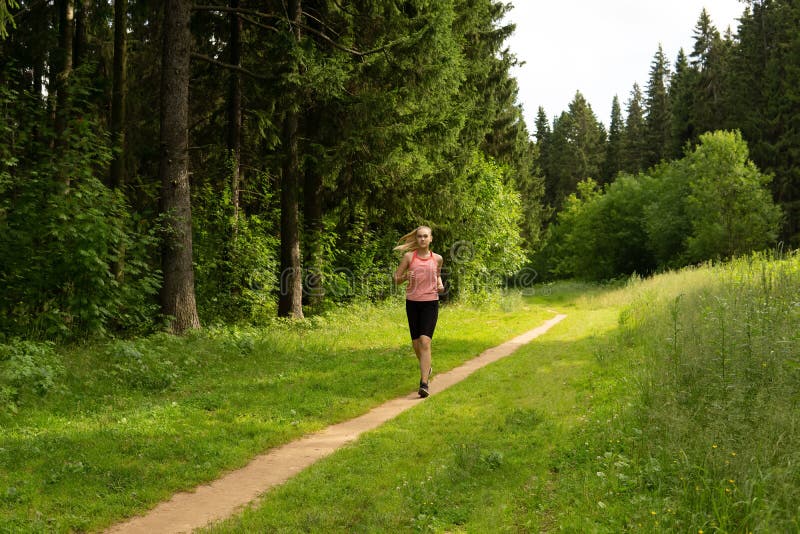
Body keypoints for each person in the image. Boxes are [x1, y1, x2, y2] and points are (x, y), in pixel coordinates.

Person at [393, 225, 445, 398]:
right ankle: (427, 367)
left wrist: (440, 284)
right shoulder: (409, 257)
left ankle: (424, 383)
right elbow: (396, 279)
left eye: (425, 236)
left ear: (431, 239)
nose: (422, 239)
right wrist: (406, 277)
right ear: (416, 239)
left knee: (425, 342)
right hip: (413, 303)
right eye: (419, 237)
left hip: (430, 303)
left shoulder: (437, 258)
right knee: (416, 345)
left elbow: (437, 275)